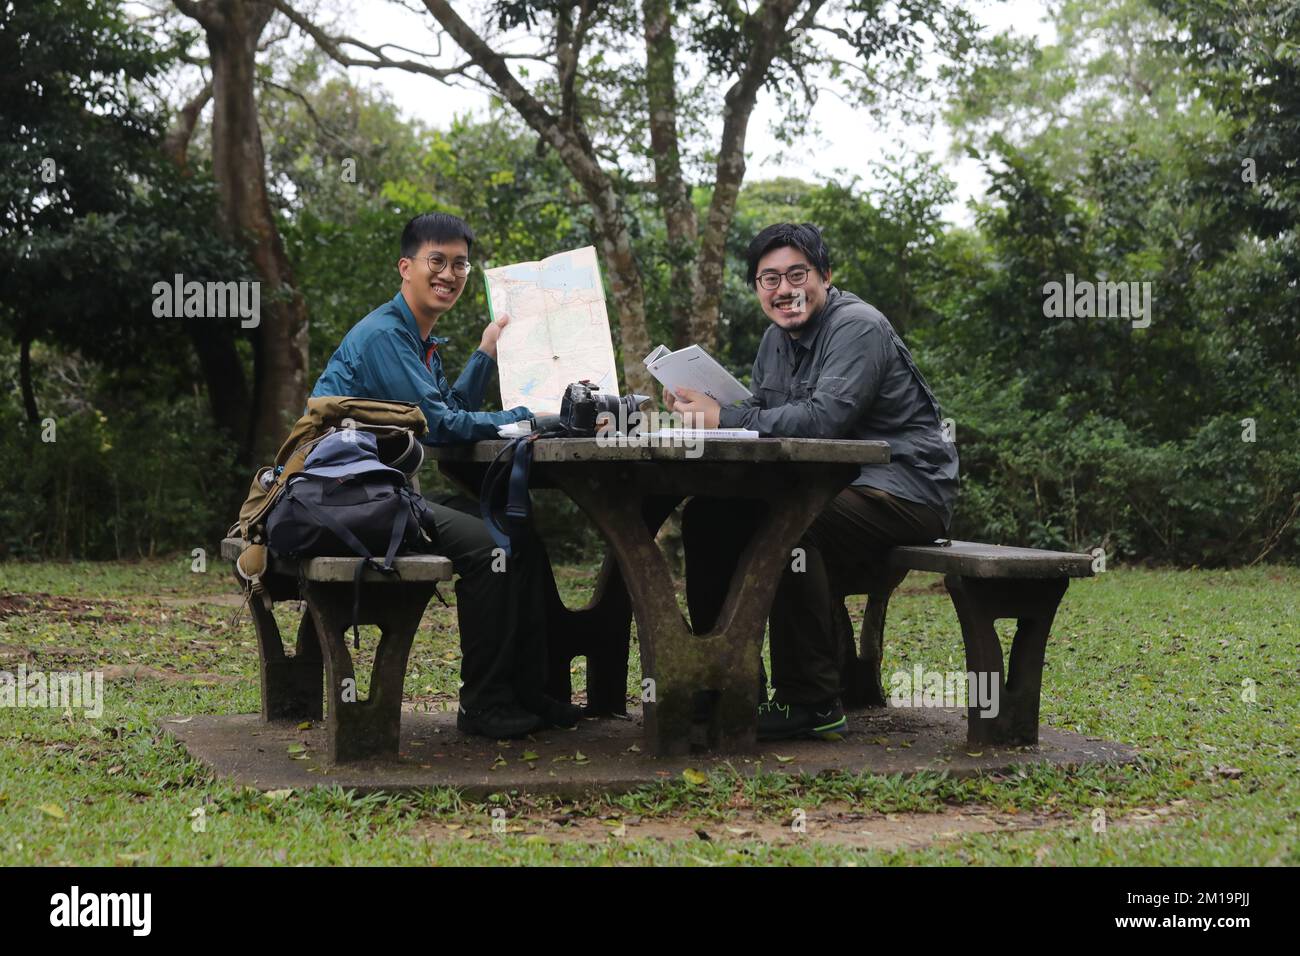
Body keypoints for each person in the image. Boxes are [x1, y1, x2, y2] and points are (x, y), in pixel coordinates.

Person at [669, 222, 959, 741]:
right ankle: (728, 683)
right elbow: (761, 411)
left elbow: (824, 419)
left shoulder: (858, 326)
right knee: (707, 516)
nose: (784, 290)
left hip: (905, 489)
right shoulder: (774, 340)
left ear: (825, 275)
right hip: (825, 490)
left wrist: (722, 419)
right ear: (757, 289)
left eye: (796, 274)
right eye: (769, 279)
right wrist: (706, 407)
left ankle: (813, 701)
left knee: (790, 528)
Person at [310, 212, 578, 739]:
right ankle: (484, 703)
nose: (450, 274)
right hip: (347, 498)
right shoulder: (386, 337)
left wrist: (484, 353)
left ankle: (530, 691)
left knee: (518, 534)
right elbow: (443, 428)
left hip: (380, 492)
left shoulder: (418, 339)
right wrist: (529, 416)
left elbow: (444, 408)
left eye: (460, 264)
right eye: (437, 261)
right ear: (405, 267)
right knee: (489, 545)